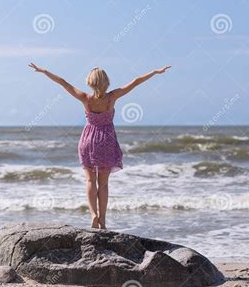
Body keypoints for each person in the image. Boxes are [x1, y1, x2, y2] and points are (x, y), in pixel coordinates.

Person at [29, 63, 171, 229]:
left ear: (90, 82)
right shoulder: (112, 97)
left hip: (88, 140)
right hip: (106, 140)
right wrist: (154, 72)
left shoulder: (85, 98)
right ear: (106, 81)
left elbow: (64, 83)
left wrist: (44, 71)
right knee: (103, 184)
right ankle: (102, 219)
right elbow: (135, 82)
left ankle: (93, 214)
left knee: (90, 180)